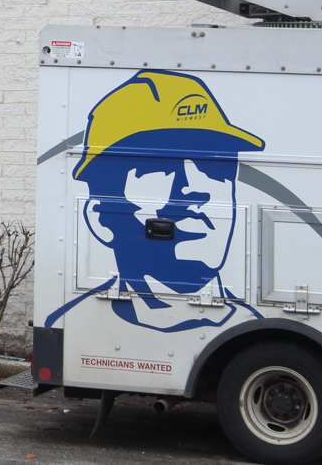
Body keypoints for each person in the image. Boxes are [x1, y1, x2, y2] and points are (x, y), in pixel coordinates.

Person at [45, 69, 265, 333]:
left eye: (215, 164)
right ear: (99, 217)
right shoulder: (70, 327)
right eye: (160, 165)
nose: (196, 188)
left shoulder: (261, 329)